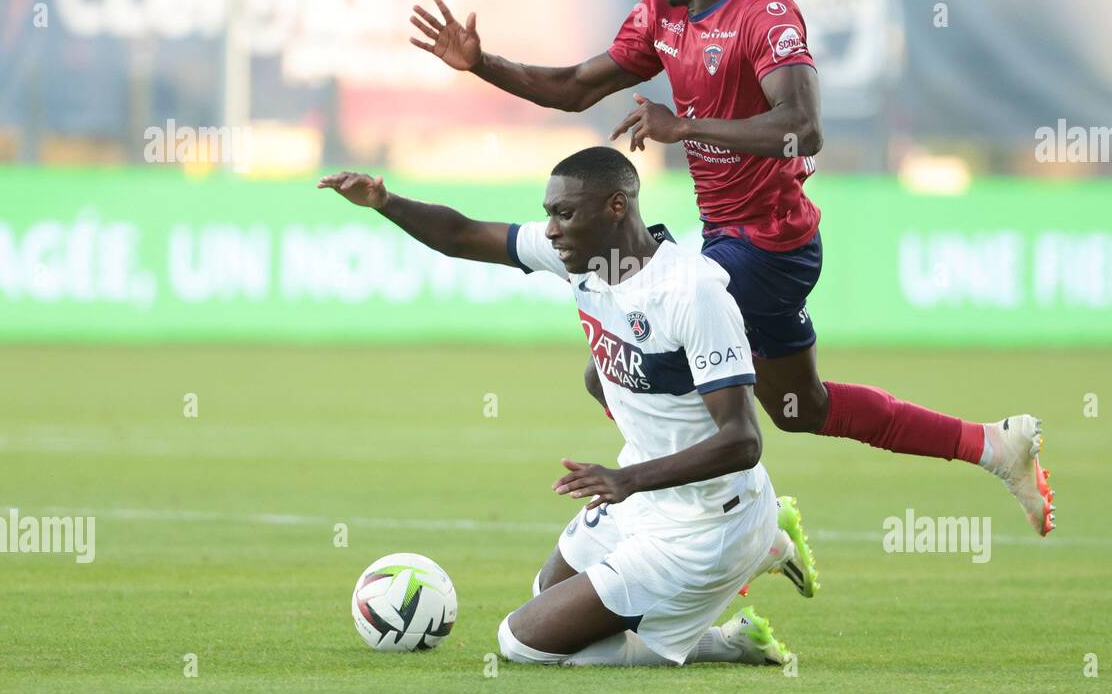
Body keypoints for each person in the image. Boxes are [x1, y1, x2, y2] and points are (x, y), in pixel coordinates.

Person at [407, 0, 1054, 536]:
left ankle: (735, 525)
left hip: (771, 246)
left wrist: (685, 127)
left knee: (619, 371)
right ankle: (993, 446)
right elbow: (574, 88)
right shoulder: (660, 15)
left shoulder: (765, 17)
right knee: (801, 408)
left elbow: (803, 128)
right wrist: (480, 62)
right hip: (728, 243)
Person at [318, 147, 819, 667]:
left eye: (564, 214)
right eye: (548, 213)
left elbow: (743, 441)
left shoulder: (692, 293)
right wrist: (384, 201)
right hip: (646, 497)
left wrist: (626, 481)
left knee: (523, 643)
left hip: (703, 527)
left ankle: (728, 630)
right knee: (545, 594)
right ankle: (763, 547)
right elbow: (461, 236)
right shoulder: (582, 255)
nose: (551, 229)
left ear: (616, 207)